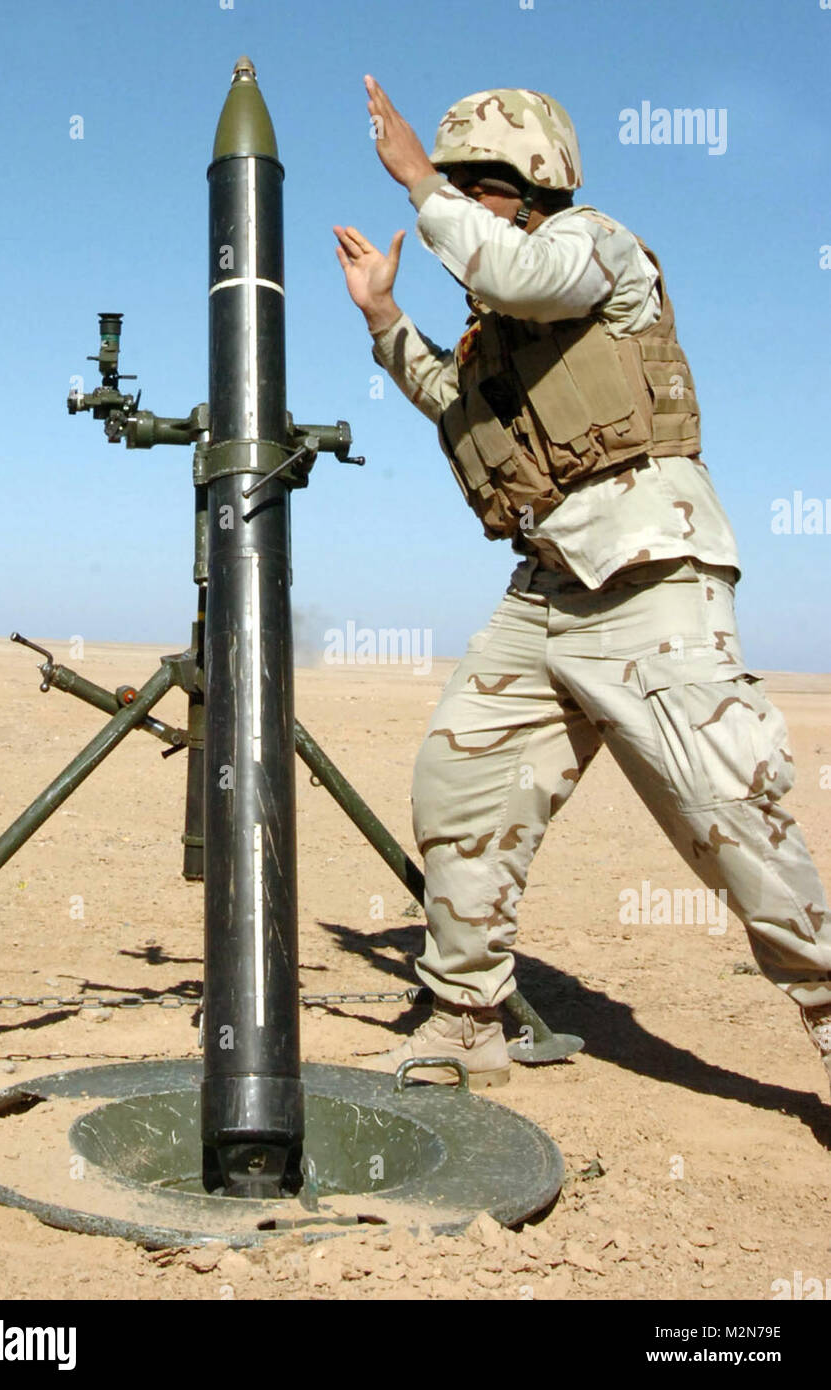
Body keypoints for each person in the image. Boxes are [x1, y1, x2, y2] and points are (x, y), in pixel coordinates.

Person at [333, 76, 831, 1093]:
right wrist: (385, 318)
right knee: (458, 781)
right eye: (457, 183)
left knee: (734, 822)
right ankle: (467, 1013)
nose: (465, 200)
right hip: (547, 590)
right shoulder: (493, 335)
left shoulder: (594, 249)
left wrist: (420, 183)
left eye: (484, 184)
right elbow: (452, 402)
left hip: (650, 580)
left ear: (536, 184)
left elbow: (518, 274)